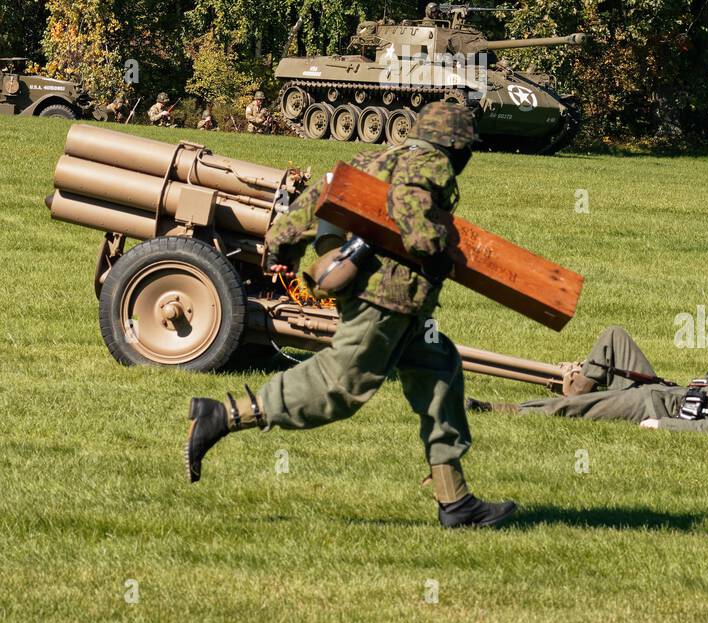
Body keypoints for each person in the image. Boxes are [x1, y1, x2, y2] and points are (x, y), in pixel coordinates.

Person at [185, 101, 517, 528]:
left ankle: (456, 503)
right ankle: (223, 415)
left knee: (440, 370)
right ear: (454, 145)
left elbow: (322, 195)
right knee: (340, 386)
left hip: (391, 301)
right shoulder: (432, 163)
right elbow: (408, 202)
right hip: (387, 298)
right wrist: (433, 248)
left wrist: (282, 245)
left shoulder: (373, 158)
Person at [468, 325, 708, 437]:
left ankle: (492, 408)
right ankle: (578, 383)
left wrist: (660, 425)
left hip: (650, 404)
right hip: (658, 386)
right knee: (614, 336)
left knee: (573, 409)